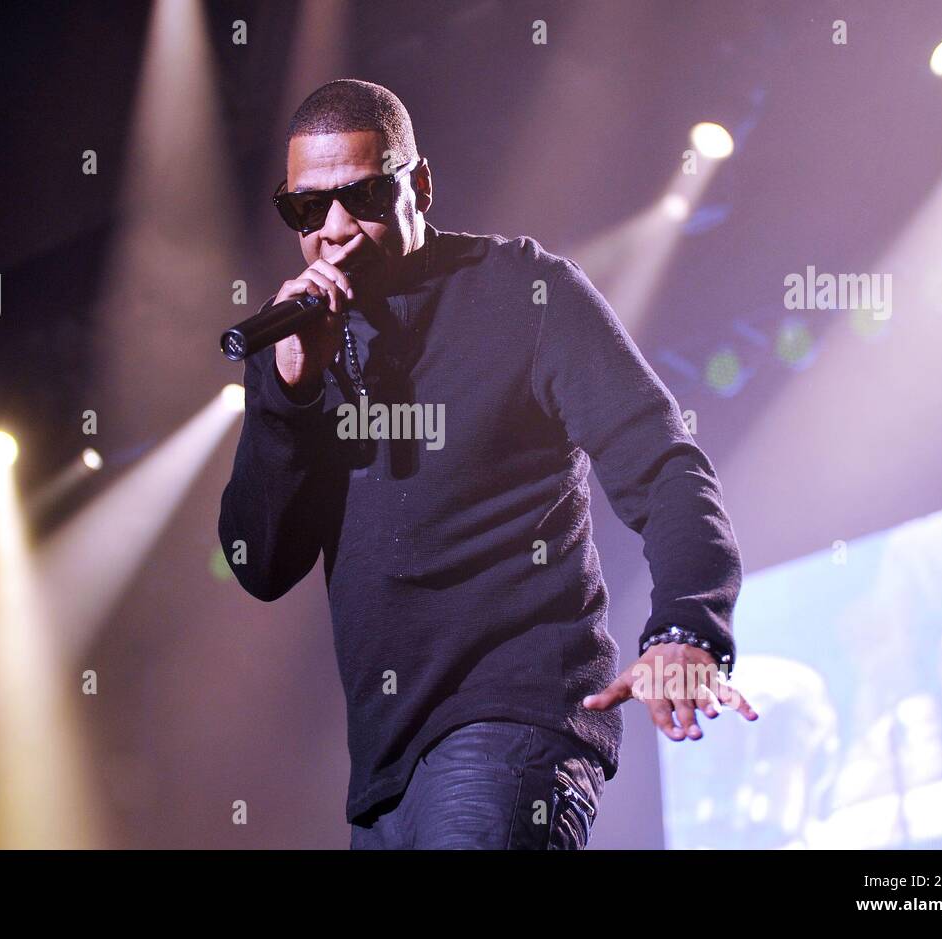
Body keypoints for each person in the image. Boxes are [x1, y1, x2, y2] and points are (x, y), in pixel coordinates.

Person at [219, 79, 757, 849]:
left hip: (512, 721)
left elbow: (667, 464)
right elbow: (259, 562)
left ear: (420, 186)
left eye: (363, 196)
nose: (333, 228)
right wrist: (288, 391)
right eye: (306, 208)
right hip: (382, 774)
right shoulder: (298, 350)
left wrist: (686, 626)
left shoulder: (525, 292)